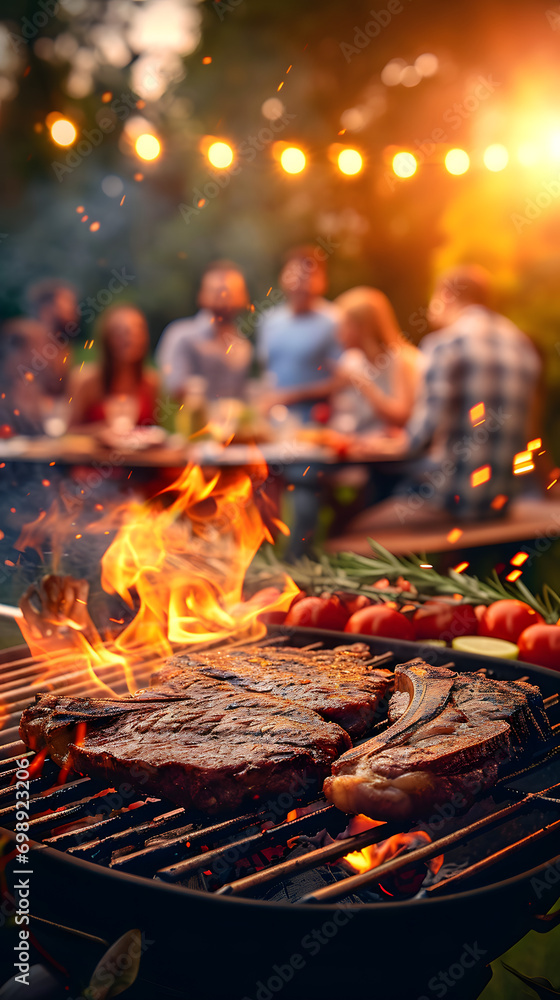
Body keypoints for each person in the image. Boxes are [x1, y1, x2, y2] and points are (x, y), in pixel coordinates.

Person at [346, 264, 542, 532]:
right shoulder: (522, 345)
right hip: (501, 502)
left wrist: (380, 446)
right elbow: (530, 433)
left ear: (447, 294)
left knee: (356, 530)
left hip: (452, 501)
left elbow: (418, 440)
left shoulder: (446, 344)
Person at [257, 246, 341, 422]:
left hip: (319, 424)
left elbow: (344, 379)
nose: (300, 283)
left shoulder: (335, 321)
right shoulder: (269, 321)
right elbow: (268, 372)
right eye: (293, 274)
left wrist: (289, 396)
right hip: (275, 425)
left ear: (323, 281)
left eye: (308, 275)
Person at [155, 260, 251, 403]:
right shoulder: (181, 335)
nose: (225, 297)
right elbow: (173, 387)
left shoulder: (243, 346)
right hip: (194, 422)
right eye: (217, 291)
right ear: (201, 295)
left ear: (244, 298)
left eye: (232, 291)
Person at [332, 286, 421, 433]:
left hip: (392, 452)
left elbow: (402, 416)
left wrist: (362, 383)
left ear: (362, 328)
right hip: (358, 448)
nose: (338, 334)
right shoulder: (351, 360)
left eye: (344, 326)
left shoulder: (402, 360)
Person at [69, 305, 159, 428]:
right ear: (107, 338)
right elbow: (69, 431)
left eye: (137, 332)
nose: (131, 339)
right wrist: (100, 434)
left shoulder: (151, 382)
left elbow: (154, 429)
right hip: (95, 447)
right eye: (122, 333)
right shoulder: (86, 381)